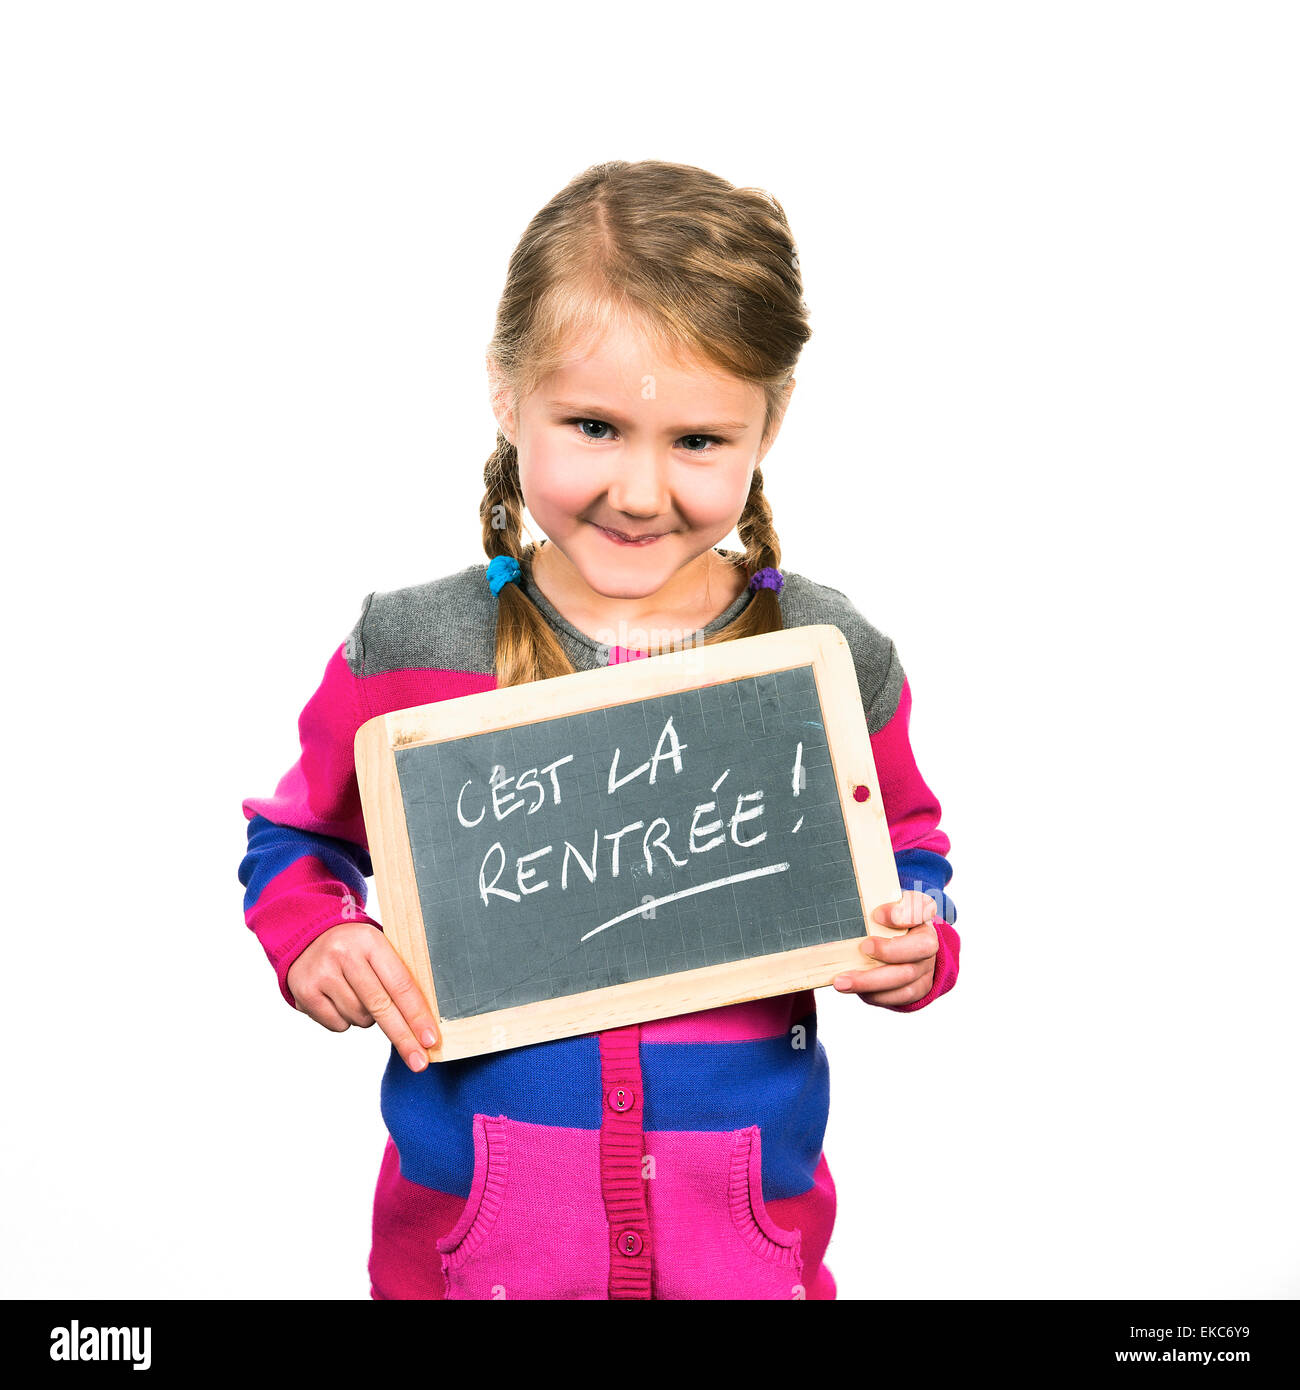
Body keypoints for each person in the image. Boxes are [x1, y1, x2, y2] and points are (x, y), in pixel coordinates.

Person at [238, 159, 959, 1301]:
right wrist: (319, 936)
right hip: (478, 1253)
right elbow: (297, 842)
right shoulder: (411, 645)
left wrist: (920, 933)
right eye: (593, 426)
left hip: (743, 1250)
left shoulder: (826, 652)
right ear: (504, 392)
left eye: (698, 441)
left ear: (771, 420)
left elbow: (908, 847)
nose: (638, 489)